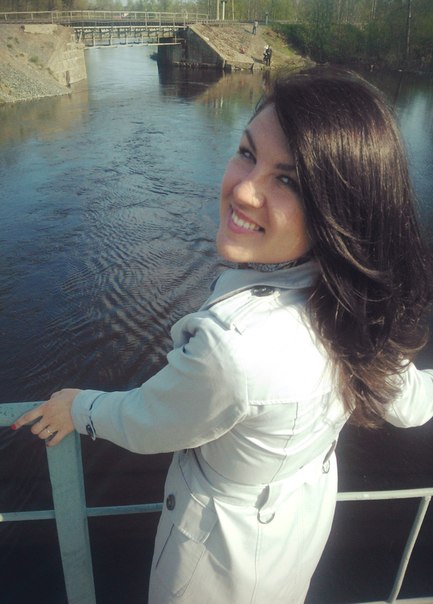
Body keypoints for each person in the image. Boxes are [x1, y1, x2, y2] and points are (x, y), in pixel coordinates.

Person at [12, 68, 433, 603]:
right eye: (247, 153)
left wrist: (79, 408)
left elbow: (150, 422)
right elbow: (410, 402)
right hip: (295, 532)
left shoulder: (234, 348)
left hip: (217, 568)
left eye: (288, 180)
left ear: (341, 210)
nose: (243, 189)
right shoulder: (355, 307)